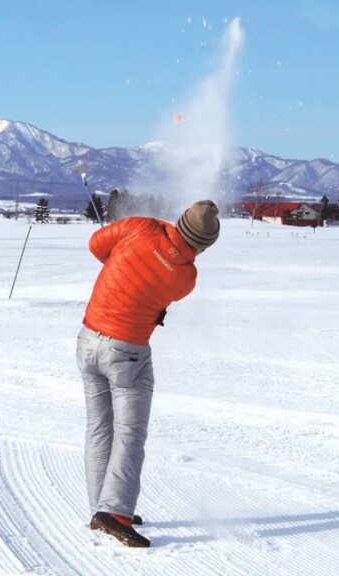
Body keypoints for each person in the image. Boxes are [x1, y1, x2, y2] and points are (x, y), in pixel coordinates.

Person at [76, 200, 220, 547]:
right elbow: (161, 282)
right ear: (203, 245)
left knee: (99, 428)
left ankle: (102, 507)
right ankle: (115, 512)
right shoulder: (186, 277)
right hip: (127, 353)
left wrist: (121, 262)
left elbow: (96, 244)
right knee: (129, 433)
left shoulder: (140, 226)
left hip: (87, 339)